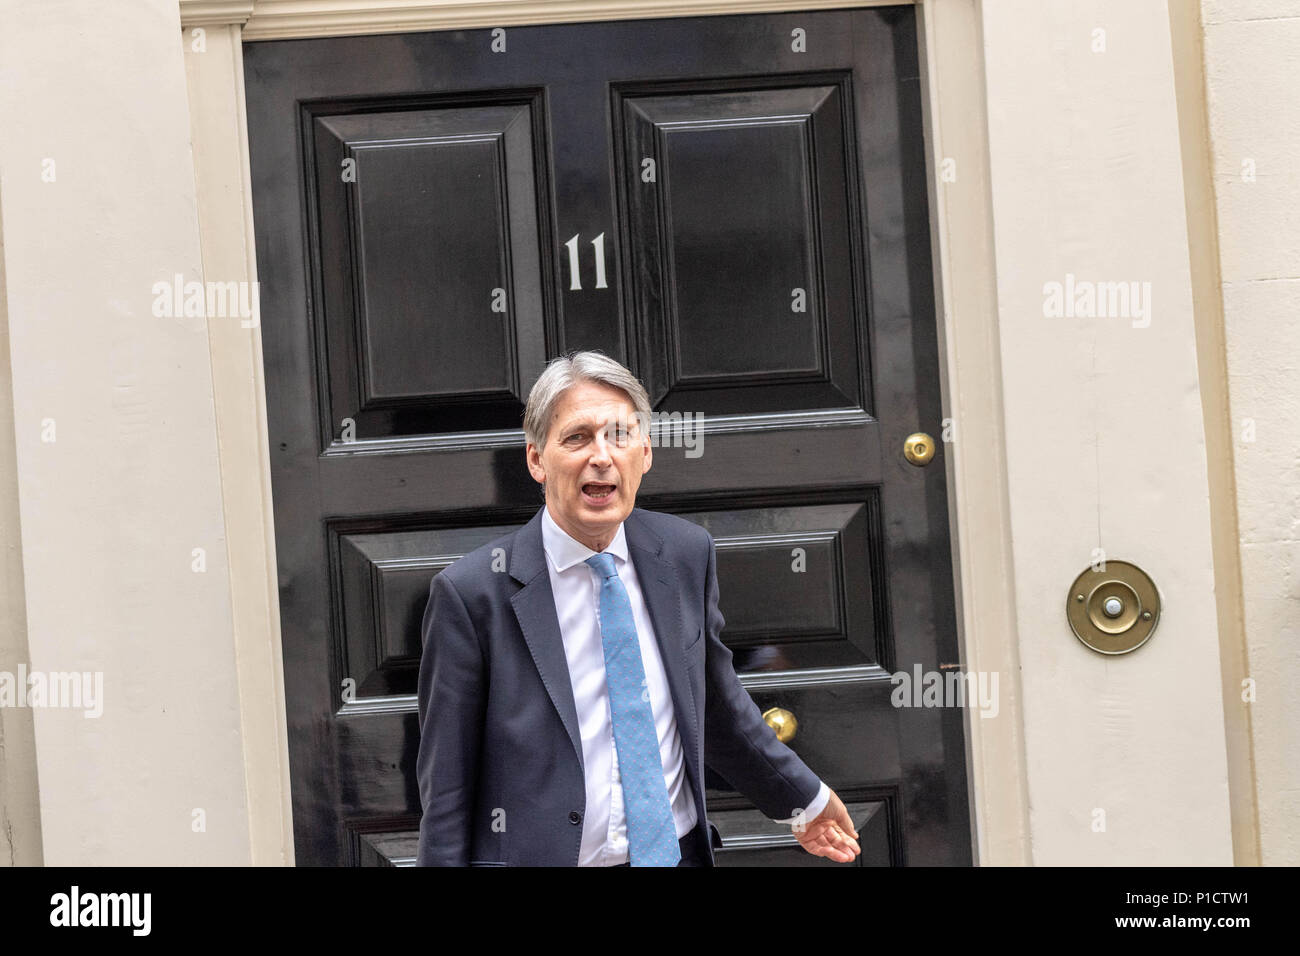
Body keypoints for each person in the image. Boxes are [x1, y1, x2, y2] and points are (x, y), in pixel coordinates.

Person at [416, 350, 860, 866]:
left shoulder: (685, 553)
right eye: (577, 437)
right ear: (537, 459)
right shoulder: (472, 593)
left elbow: (717, 707)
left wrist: (805, 801)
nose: (601, 456)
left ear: (645, 452)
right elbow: (447, 786)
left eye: (620, 436)